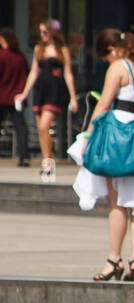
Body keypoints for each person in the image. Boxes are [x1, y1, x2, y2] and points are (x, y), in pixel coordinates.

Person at [72, 31, 134, 283]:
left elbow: (103, 104)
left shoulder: (119, 67)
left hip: (119, 138)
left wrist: (88, 137)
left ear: (114, 50)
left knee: (117, 203)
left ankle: (114, 259)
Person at [14, 19, 77, 183]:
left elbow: (68, 73)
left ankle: (48, 161)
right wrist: (24, 93)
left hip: (55, 88)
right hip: (40, 88)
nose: (42, 35)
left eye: (44, 32)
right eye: (40, 32)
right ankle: (46, 159)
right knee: (41, 128)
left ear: (52, 33)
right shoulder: (38, 49)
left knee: (44, 125)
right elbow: (33, 72)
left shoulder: (62, 50)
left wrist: (73, 96)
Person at [0, 30, 30, 167]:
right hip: (17, 97)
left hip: (3, 96)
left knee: (18, 126)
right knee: (20, 127)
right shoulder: (20, 57)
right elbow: (27, 74)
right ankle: (24, 156)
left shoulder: (2, 56)